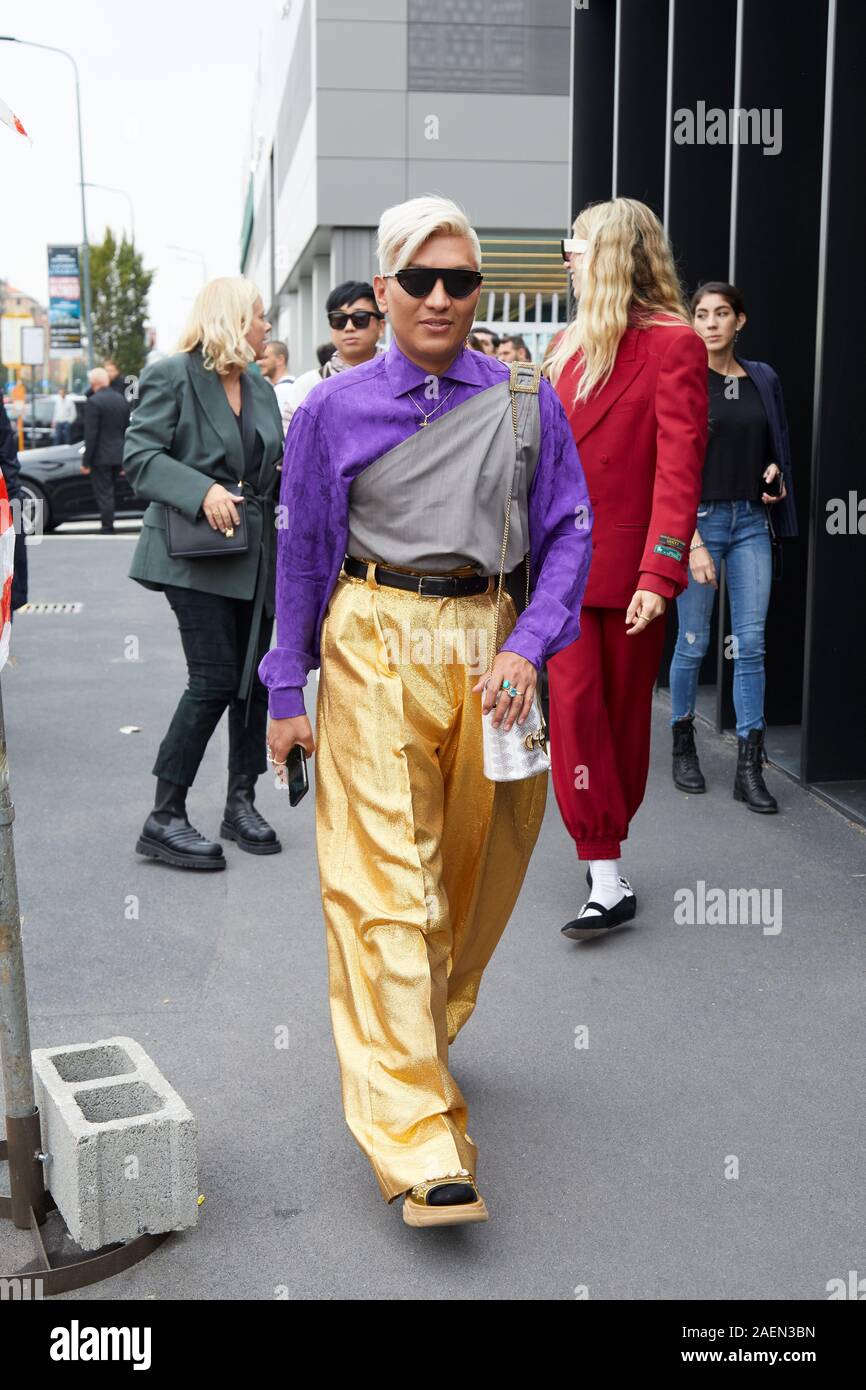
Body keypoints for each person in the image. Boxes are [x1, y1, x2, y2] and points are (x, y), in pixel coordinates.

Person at [260, 194, 592, 1226]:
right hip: (370, 639)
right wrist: (283, 688)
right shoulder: (328, 410)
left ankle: (416, 1030)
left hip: (489, 648)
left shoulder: (525, 399)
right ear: (385, 290)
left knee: (477, 868)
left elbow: (570, 530)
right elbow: (302, 548)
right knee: (383, 889)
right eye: (419, 281)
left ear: (477, 290)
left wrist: (530, 646)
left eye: (459, 281)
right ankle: (417, 1139)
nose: (439, 298)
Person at [545, 197, 708, 940]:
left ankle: (605, 852)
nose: (567, 257)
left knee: (618, 720)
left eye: (574, 245)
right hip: (560, 571)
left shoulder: (675, 346)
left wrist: (659, 573)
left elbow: (680, 470)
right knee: (574, 711)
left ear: (611, 254)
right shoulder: (564, 345)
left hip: (631, 571)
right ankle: (604, 874)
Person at [123, 277, 284, 869]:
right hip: (192, 557)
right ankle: (165, 815)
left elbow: (273, 468)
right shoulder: (173, 375)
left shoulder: (260, 386)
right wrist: (203, 489)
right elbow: (140, 460)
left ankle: (240, 803)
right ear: (233, 319)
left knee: (253, 681)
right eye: (260, 316)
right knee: (214, 679)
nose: (267, 327)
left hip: (256, 556)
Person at [668, 282, 797, 812]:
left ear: (739, 321)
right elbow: (668, 463)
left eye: (723, 313)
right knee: (694, 642)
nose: (712, 322)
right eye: (702, 314)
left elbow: (778, 448)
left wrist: (775, 473)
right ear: (693, 322)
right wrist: (689, 539)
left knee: (750, 644)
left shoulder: (762, 378)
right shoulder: (682, 379)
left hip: (750, 521)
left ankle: (750, 766)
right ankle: (682, 741)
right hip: (696, 523)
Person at [284, 281, 385, 424]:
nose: (349, 327)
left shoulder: (402, 380)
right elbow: (295, 443)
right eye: (339, 319)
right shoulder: (307, 386)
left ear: (381, 327)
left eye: (360, 318)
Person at [81, 368, 130, 533]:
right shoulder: (121, 400)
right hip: (119, 454)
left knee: (104, 493)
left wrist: (86, 461)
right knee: (112, 492)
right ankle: (110, 522)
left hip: (101, 457)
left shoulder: (94, 402)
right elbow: (126, 430)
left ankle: (107, 526)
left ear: (94, 383)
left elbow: (91, 435)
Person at [258, 339, 295, 434]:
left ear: (280, 360)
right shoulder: (294, 385)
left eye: (265, 358)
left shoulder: (281, 390)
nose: (259, 363)